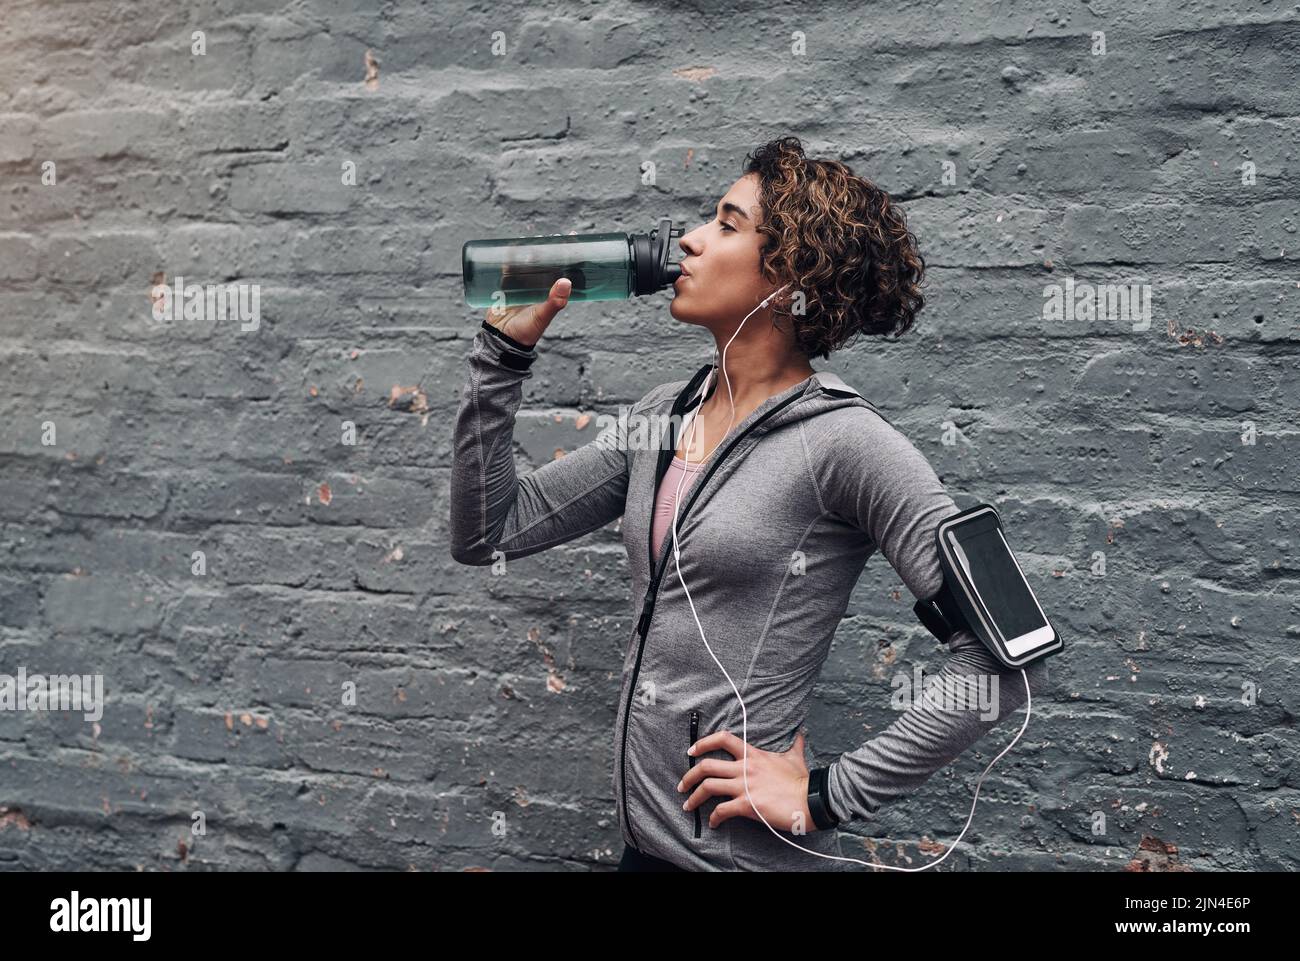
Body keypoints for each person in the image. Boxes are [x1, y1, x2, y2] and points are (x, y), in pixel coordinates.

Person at [450, 136, 1050, 872]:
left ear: (791, 274)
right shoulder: (663, 418)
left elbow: (1008, 659)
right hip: (645, 853)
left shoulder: (847, 444)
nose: (690, 242)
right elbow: (491, 529)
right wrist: (501, 359)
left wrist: (826, 794)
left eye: (727, 225)